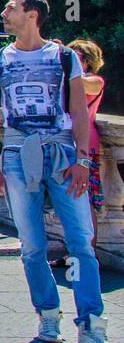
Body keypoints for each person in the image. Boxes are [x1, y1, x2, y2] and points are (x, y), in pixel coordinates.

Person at [0, 0, 117, 343]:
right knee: (31, 245)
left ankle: (91, 325)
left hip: (61, 152)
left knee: (81, 240)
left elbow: (76, 109)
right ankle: (47, 314)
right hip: (15, 153)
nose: (3, 12)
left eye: (11, 7)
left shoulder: (64, 57)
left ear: (31, 14)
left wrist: (83, 161)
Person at [57, 39, 108, 265]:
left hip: (86, 147)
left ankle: (88, 252)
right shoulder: (68, 79)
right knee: (67, 198)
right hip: (65, 144)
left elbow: (82, 86)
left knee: (86, 199)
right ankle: (73, 251)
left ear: (87, 61)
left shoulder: (94, 81)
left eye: (75, 56)